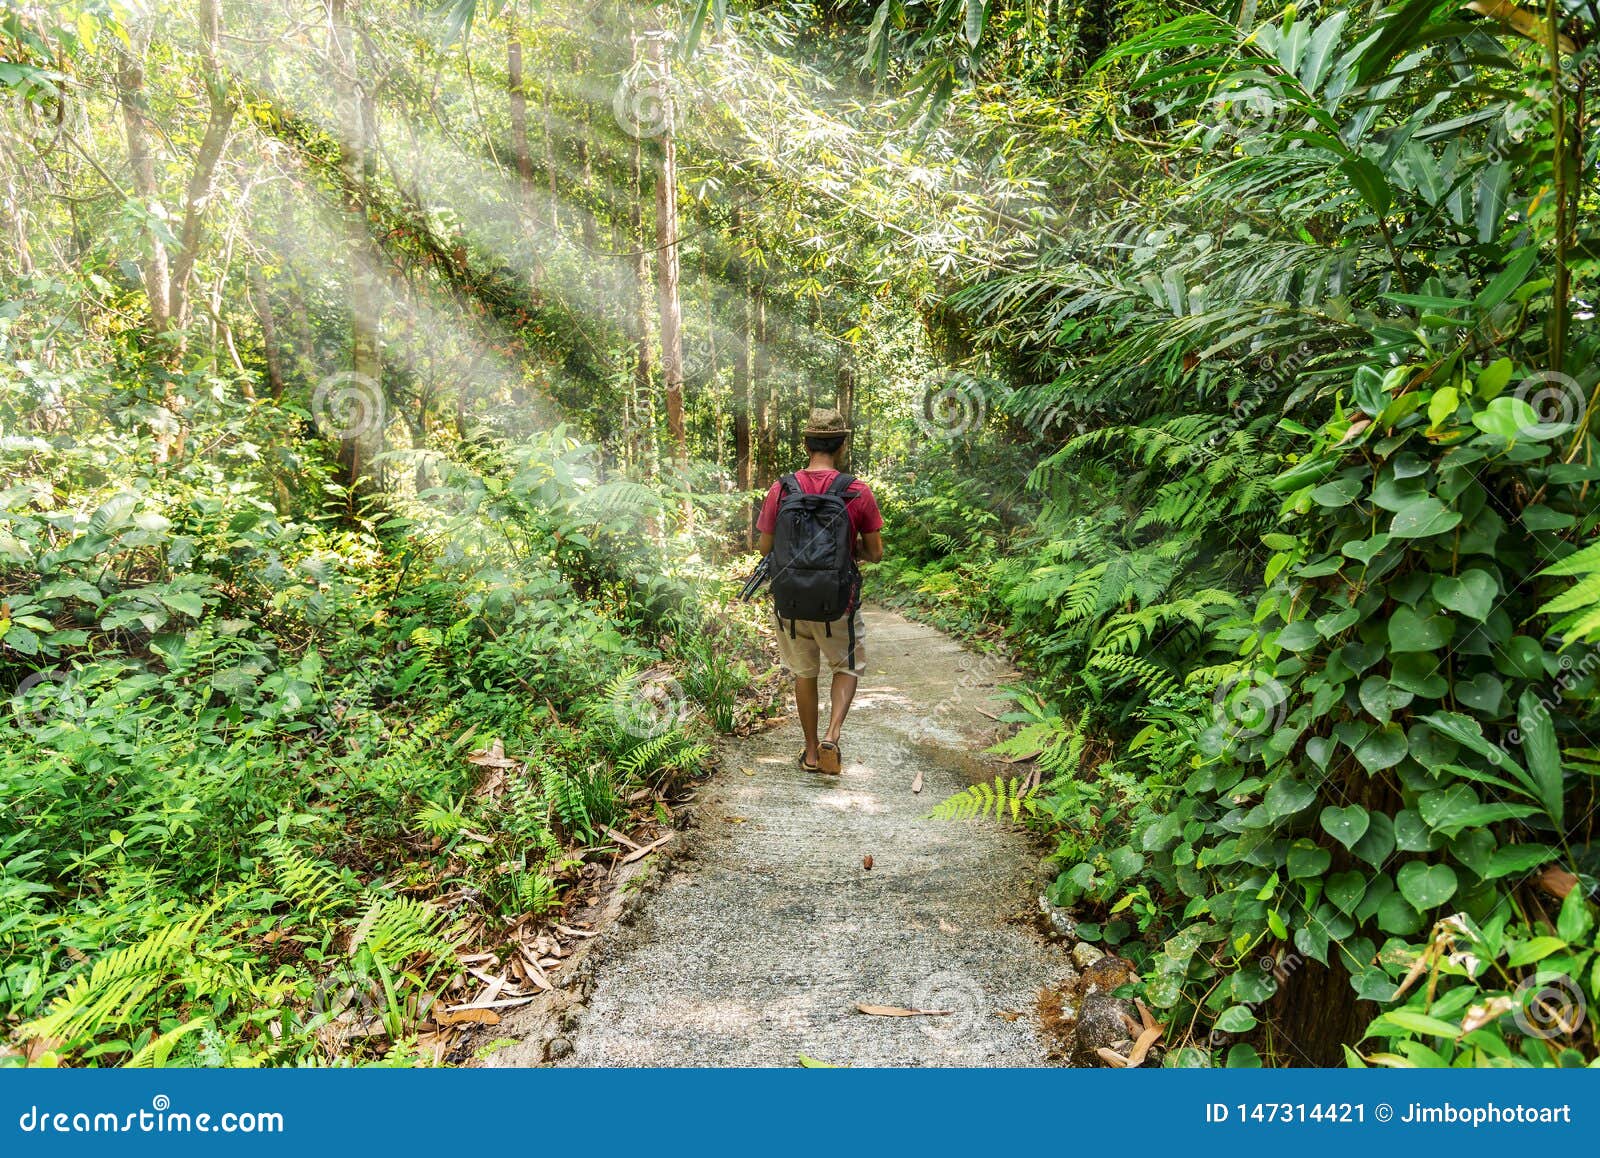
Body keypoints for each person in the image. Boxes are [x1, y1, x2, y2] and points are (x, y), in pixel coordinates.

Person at [756, 408, 884, 775]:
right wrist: (847, 549)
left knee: (804, 673)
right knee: (847, 666)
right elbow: (875, 553)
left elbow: (766, 548)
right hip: (837, 602)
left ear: (806, 443)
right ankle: (833, 733)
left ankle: (811, 752)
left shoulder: (782, 489)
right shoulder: (856, 490)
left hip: (791, 604)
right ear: (841, 445)